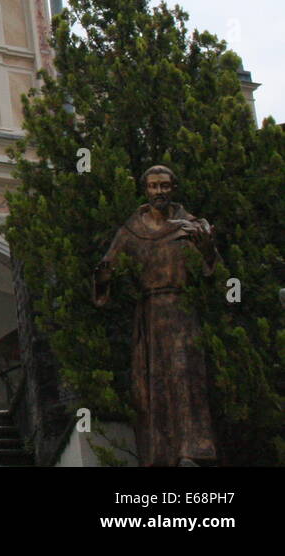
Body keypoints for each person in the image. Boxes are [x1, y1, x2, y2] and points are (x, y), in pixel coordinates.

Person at [93, 165, 220, 466]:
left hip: (181, 310)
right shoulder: (132, 230)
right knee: (150, 386)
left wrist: (208, 251)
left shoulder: (192, 227)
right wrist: (102, 278)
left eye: (164, 186)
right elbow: (107, 269)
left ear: (173, 188)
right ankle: (159, 455)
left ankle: (193, 450)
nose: (159, 192)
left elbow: (216, 274)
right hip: (148, 315)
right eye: (153, 186)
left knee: (185, 377)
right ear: (145, 190)